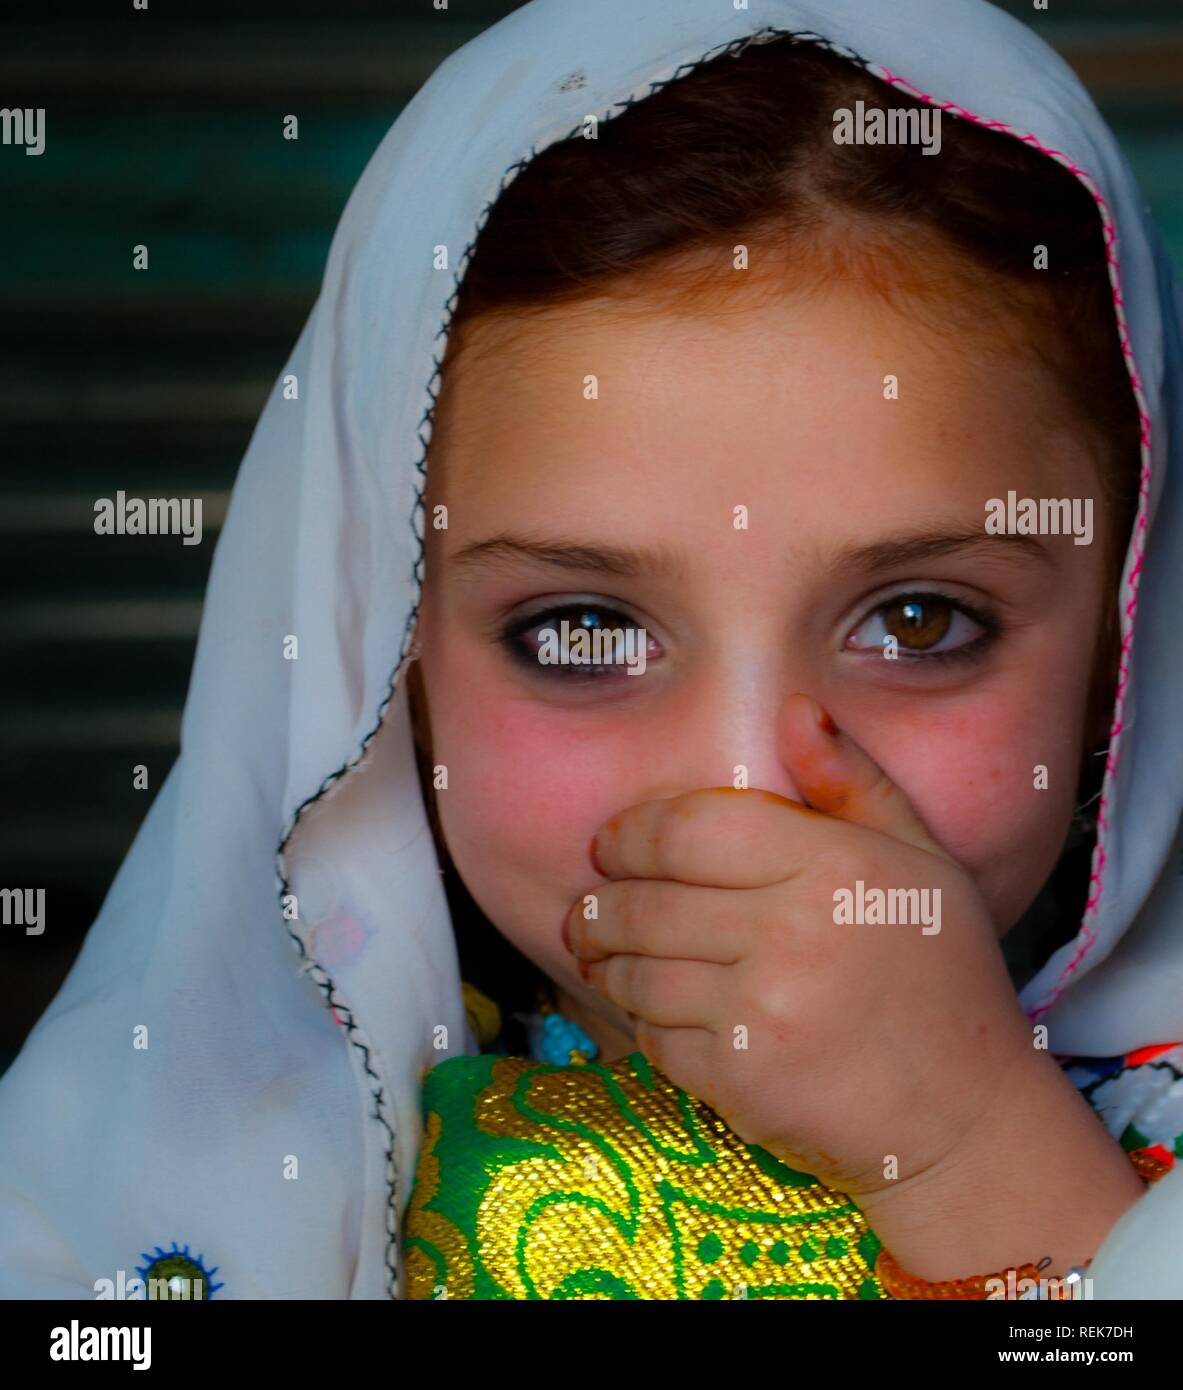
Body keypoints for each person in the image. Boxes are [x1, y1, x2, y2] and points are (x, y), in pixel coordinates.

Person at [1, 0, 1181, 1301]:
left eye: (918, 620)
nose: (747, 792)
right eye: (582, 629)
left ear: (1126, 646)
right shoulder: (117, 1219)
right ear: (390, 665)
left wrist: (974, 1145)